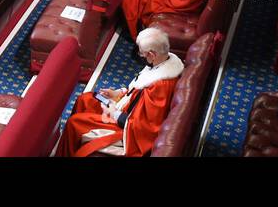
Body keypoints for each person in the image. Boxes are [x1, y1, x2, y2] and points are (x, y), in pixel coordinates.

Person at [56, 27, 184, 157]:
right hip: (126, 109)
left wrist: (113, 113)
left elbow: (145, 127)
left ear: (152, 55)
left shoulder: (160, 86)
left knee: (74, 123)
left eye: (142, 54)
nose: (141, 57)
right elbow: (137, 91)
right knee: (85, 99)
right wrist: (118, 94)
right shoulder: (161, 61)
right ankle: (73, 144)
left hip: (127, 129)